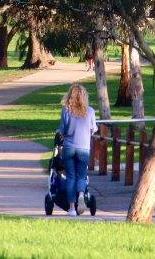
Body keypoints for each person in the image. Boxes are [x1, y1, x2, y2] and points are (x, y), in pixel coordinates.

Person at [56, 84, 96, 216]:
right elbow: (93, 130)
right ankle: (81, 194)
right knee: (81, 175)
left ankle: (72, 208)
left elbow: (62, 130)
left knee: (70, 177)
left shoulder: (66, 111)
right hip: (84, 147)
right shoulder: (90, 111)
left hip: (69, 147)